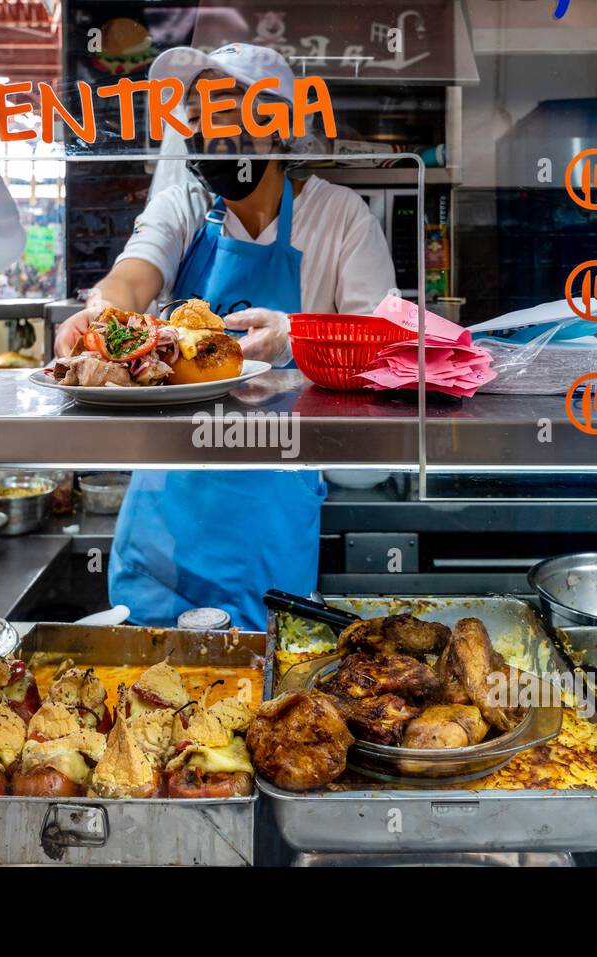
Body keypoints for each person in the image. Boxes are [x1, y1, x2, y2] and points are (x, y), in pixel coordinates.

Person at [55, 43, 395, 630]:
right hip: (167, 505)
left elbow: (385, 347)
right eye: (202, 110)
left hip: (271, 505)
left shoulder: (341, 218)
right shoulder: (184, 204)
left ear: (281, 123)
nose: (216, 126)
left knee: (261, 697)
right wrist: (104, 314)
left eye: (233, 107)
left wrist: (296, 337)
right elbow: (135, 275)